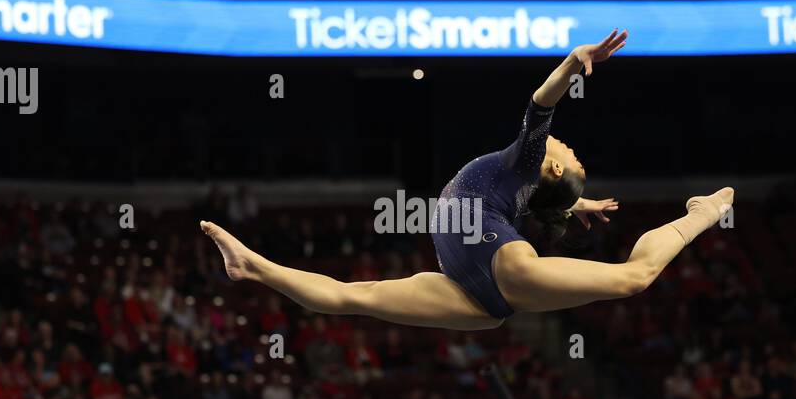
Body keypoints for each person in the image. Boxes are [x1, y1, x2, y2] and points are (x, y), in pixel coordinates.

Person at [200, 32, 735, 331]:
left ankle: (699, 214)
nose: (567, 146)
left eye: (570, 154)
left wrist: (573, 64)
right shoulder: (523, 182)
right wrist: (576, 201)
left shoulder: (526, 162)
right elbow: (531, 194)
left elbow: (539, 105)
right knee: (349, 297)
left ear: (550, 166)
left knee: (632, 279)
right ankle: (252, 265)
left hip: (482, 271)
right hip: (478, 287)